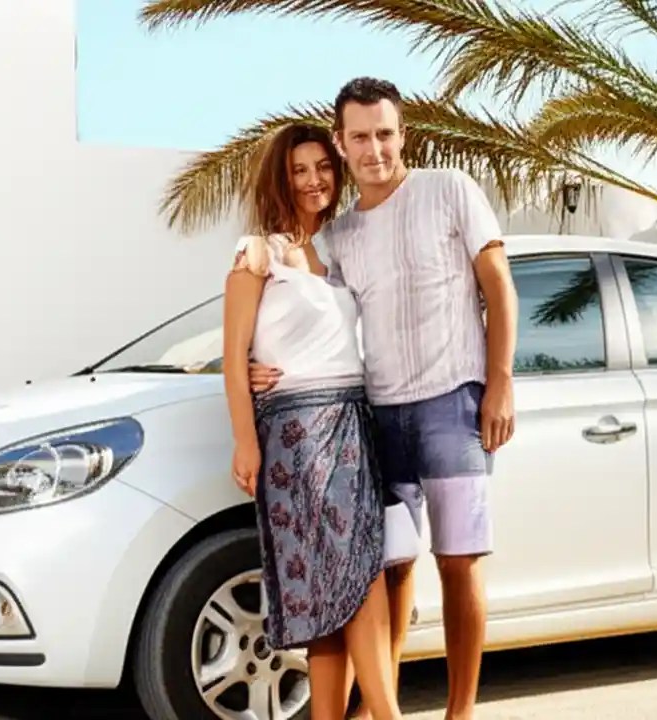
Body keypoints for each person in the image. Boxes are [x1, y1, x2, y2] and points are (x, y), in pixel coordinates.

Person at [248, 77, 519, 720]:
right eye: (361, 137)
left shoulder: (450, 190)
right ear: (342, 144)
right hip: (376, 418)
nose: (376, 149)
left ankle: (460, 713)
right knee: (391, 568)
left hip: (453, 402)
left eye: (386, 134)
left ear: (404, 135)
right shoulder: (339, 236)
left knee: (457, 561)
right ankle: (378, 710)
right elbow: (309, 309)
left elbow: (499, 285)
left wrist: (500, 382)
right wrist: (254, 364)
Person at [222, 122, 404, 720]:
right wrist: (245, 443)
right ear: (282, 177)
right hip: (295, 435)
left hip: (355, 427)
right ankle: (387, 714)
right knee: (354, 581)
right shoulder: (258, 255)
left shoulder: (346, 247)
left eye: (322, 166)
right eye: (299, 170)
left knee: (343, 585)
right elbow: (231, 354)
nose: (313, 180)